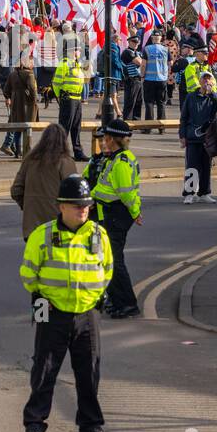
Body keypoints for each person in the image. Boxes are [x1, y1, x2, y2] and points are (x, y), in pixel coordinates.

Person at [19, 174, 116, 432]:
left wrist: (95, 297)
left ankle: (91, 428)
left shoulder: (98, 235)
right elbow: (28, 274)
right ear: (61, 206)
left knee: (89, 373)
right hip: (52, 311)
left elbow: (107, 270)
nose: (83, 209)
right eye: (77, 205)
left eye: (86, 204)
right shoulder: (43, 235)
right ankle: (34, 425)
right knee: (44, 370)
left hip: (87, 313)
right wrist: (41, 299)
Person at [86, 119, 142, 318]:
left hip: (117, 216)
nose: (104, 141)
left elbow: (126, 193)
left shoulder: (122, 162)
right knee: (106, 260)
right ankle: (117, 301)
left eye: (107, 138)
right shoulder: (112, 159)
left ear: (115, 140)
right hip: (107, 215)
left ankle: (128, 303)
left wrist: (135, 213)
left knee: (115, 262)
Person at [10, 123, 77, 241]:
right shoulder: (65, 162)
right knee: (55, 259)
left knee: (34, 258)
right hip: (57, 226)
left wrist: (27, 206)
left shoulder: (30, 159)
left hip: (32, 227)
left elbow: (16, 190)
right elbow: (73, 195)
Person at [180, 70, 217, 204]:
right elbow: (184, 117)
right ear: (199, 81)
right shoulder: (191, 97)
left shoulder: (213, 97)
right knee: (192, 166)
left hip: (208, 137)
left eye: (208, 79)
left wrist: (213, 94)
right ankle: (189, 193)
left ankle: (204, 192)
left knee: (206, 166)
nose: (206, 82)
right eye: (204, 79)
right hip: (193, 137)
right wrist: (182, 135)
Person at [52, 48, 87, 162]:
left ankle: (78, 152)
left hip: (77, 98)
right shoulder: (64, 63)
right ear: (72, 51)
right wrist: (60, 97)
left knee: (76, 127)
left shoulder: (77, 64)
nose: (80, 52)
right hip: (68, 98)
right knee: (65, 126)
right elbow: (56, 83)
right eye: (78, 50)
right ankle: (60, 153)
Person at [1, 55, 38, 159]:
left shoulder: (12, 74)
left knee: (17, 128)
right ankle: (27, 149)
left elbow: (6, 90)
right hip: (26, 104)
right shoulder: (30, 74)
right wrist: (35, 100)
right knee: (27, 127)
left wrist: (9, 97)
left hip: (15, 103)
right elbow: (32, 89)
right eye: (31, 62)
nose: (33, 64)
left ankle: (18, 150)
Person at [143, 31, 169, 127]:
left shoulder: (147, 49)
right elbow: (170, 64)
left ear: (152, 38)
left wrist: (142, 75)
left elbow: (143, 64)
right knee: (161, 103)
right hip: (162, 79)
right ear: (161, 38)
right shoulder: (166, 49)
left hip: (149, 79)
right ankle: (161, 126)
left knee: (149, 103)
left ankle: (148, 127)